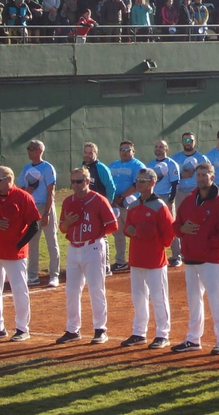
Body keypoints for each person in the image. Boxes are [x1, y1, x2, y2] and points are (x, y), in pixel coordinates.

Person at [172, 163, 219, 355]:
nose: (200, 178)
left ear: (212, 177)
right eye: (198, 175)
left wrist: (206, 244)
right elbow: (177, 225)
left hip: (210, 261)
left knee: (216, 300)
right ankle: (193, 338)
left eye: (204, 175)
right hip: (191, 259)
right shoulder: (189, 201)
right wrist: (182, 230)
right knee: (193, 300)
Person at [56, 167, 118, 345]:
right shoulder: (68, 201)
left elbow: (112, 225)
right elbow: (62, 228)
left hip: (92, 248)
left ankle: (100, 329)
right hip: (73, 249)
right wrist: (68, 223)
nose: (75, 185)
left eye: (79, 181)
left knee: (96, 289)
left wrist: (96, 235)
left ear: (87, 181)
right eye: (73, 181)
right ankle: (72, 330)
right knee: (71, 291)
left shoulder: (99, 200)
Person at [121, 168, 175, 349]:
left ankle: (163, 334)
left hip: (155, 261)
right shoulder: (133, 206)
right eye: (137, 180)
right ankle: (139, 332)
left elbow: (169, 236)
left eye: (143, 180)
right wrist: (132, 231)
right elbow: (127, 227)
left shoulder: (160, 206)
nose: (139, 183)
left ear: (152, 183)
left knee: (158, 297)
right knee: (138, 297)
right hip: (136, 259)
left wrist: (148, 237)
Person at [0, 165, 40, 342]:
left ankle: (22, 328)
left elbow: (34, 225)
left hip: (15, 254)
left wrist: (19, 245)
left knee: (19, 290)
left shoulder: (23, 197)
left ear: (9, 180)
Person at [19, 139, 59, 287]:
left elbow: (51, 193)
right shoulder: (26, 168)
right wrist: (25, 191)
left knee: (51, 241)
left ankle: (54, 275)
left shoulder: (48, 168)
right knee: (32, 242)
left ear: (39, 151)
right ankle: (32, 276)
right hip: (31, 208)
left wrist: (47, 213)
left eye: (31, 148)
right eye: (28, 148)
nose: (28, 151)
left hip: (44, 207)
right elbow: (21, 187)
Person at [169, 133, 210, 267]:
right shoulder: (175, 158)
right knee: (180, 222)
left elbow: (209, 174)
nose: (188, 142)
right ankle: (179, 253)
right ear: (182, 142)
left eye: (190, 140)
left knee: (200, 220)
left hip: (197, 192)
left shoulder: (201, 158)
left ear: (194, 141)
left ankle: (201, 248)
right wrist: (182, 175)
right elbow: (172, 176)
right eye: (185, 140)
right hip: (181, 192)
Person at [108, 140, 145, 272]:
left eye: (127, 150)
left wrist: (122, 196)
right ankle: (120, 261)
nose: (124, 152)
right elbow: (107, 183)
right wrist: (112, 199)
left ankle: (140, 259)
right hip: (115, 204)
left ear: (133, 152)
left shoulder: (138, 165)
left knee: (135, 232)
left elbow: (138, 184)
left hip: (130, 203)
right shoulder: (113, 165)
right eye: (122, 150)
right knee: (118, 233)